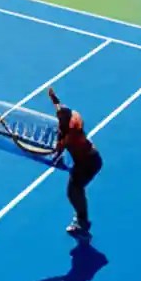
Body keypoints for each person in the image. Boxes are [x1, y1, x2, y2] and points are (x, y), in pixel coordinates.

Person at [48, 87, 103, 238]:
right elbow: (59, 108)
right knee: (76, 190)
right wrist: (54, 98)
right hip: (89, 159)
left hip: (88, 164)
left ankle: (82, 222)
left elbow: (59, 147)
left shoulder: (72, 135)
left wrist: (56, 152)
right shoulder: (71, 116)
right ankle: (81, 218)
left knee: (74, 191)